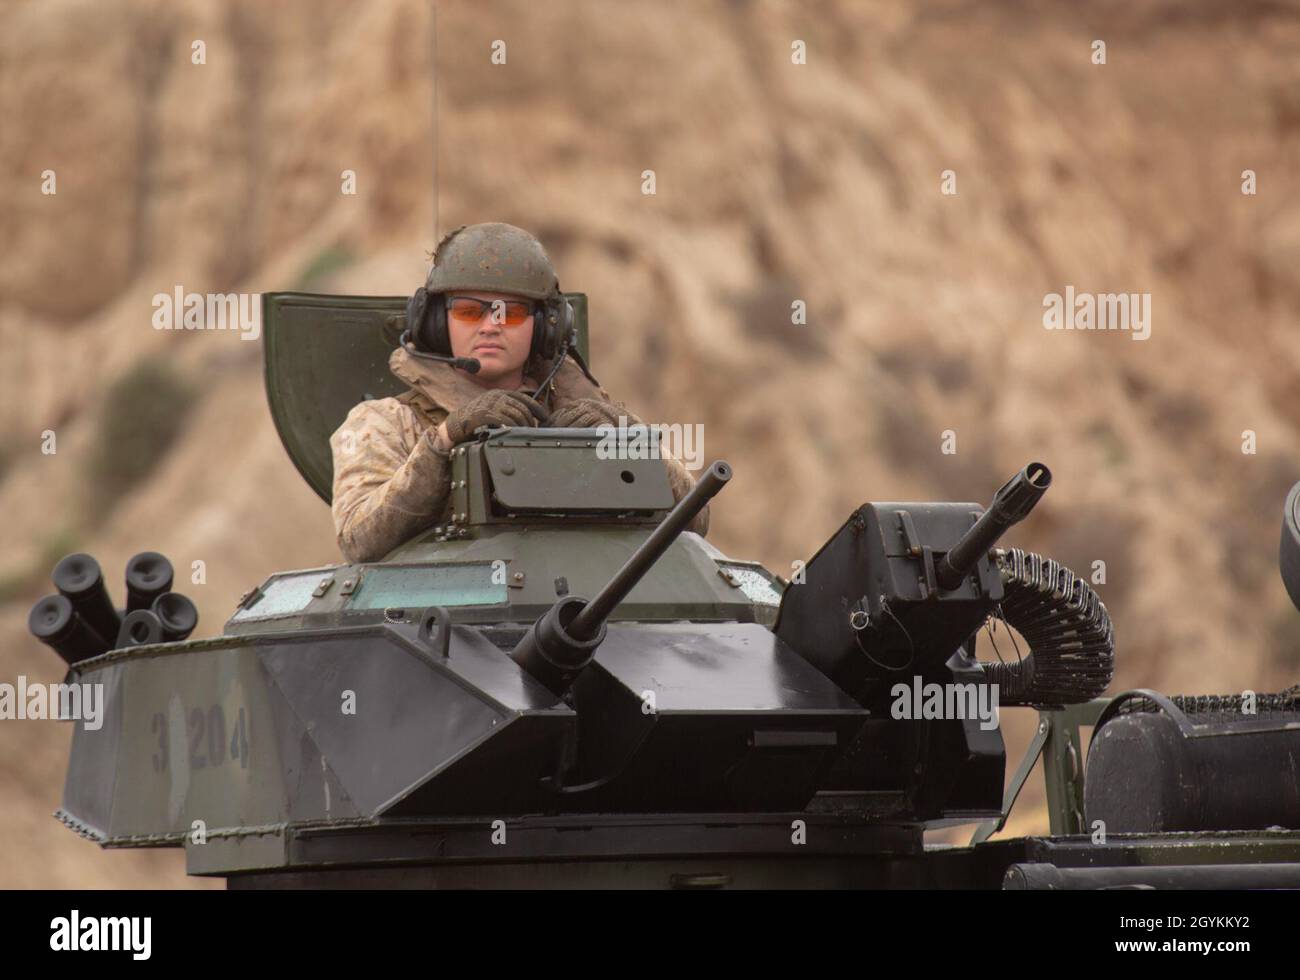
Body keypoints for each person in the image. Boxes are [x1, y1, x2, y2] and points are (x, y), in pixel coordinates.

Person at [329, 222, 707, 563]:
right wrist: (444, 441)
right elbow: (359, 539)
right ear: (435, 324)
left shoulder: (587, 412)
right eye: (468, 312)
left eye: (509, 314)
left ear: (545, 327)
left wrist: (629, 439)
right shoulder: (387, 422)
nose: (490, 327)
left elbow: (696, 518)